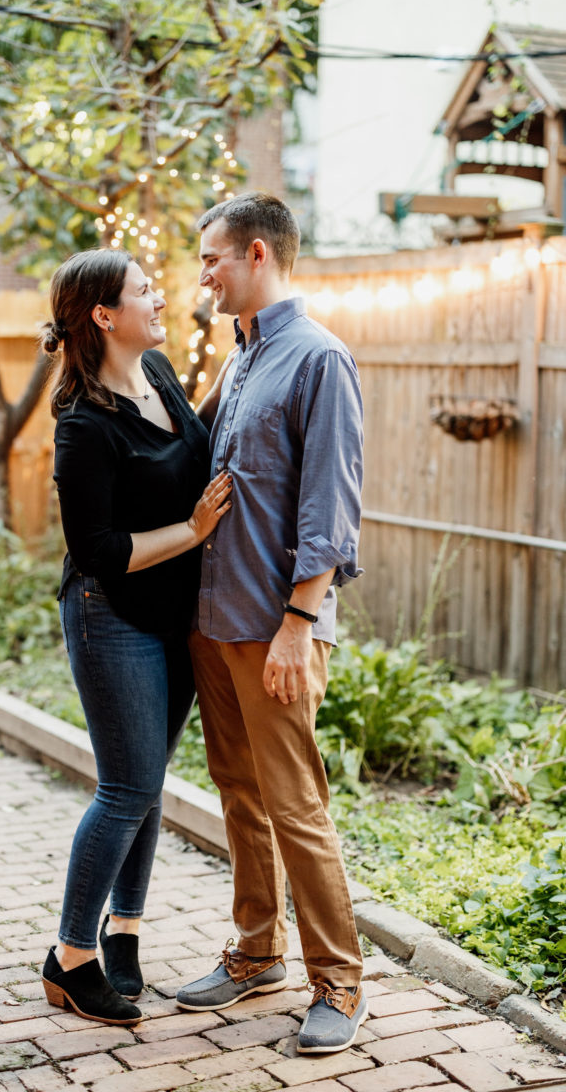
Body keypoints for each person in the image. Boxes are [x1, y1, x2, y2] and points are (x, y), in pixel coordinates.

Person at [175, 193, 367, 1055]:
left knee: (296, 804)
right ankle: (258, 951)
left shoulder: (319, 358)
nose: (203, 276)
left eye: (211, 258)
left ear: (257, 254)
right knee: (238, 792)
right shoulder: (240, 358)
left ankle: (340, 982)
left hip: (275, 624)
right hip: (214, 620)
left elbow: (331, 508)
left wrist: (298, 623)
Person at [38, 248, 232, 1028]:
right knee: (126, 787)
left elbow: (195, 440)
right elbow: (98, 550)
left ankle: (124, 931)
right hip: (110, 612)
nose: (160, 299)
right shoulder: (84, 425)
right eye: (144, 291)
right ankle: (69, 958)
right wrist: (192, 531)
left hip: (173, 611)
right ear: (103, 315)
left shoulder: (157, 373)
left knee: (147, 781)